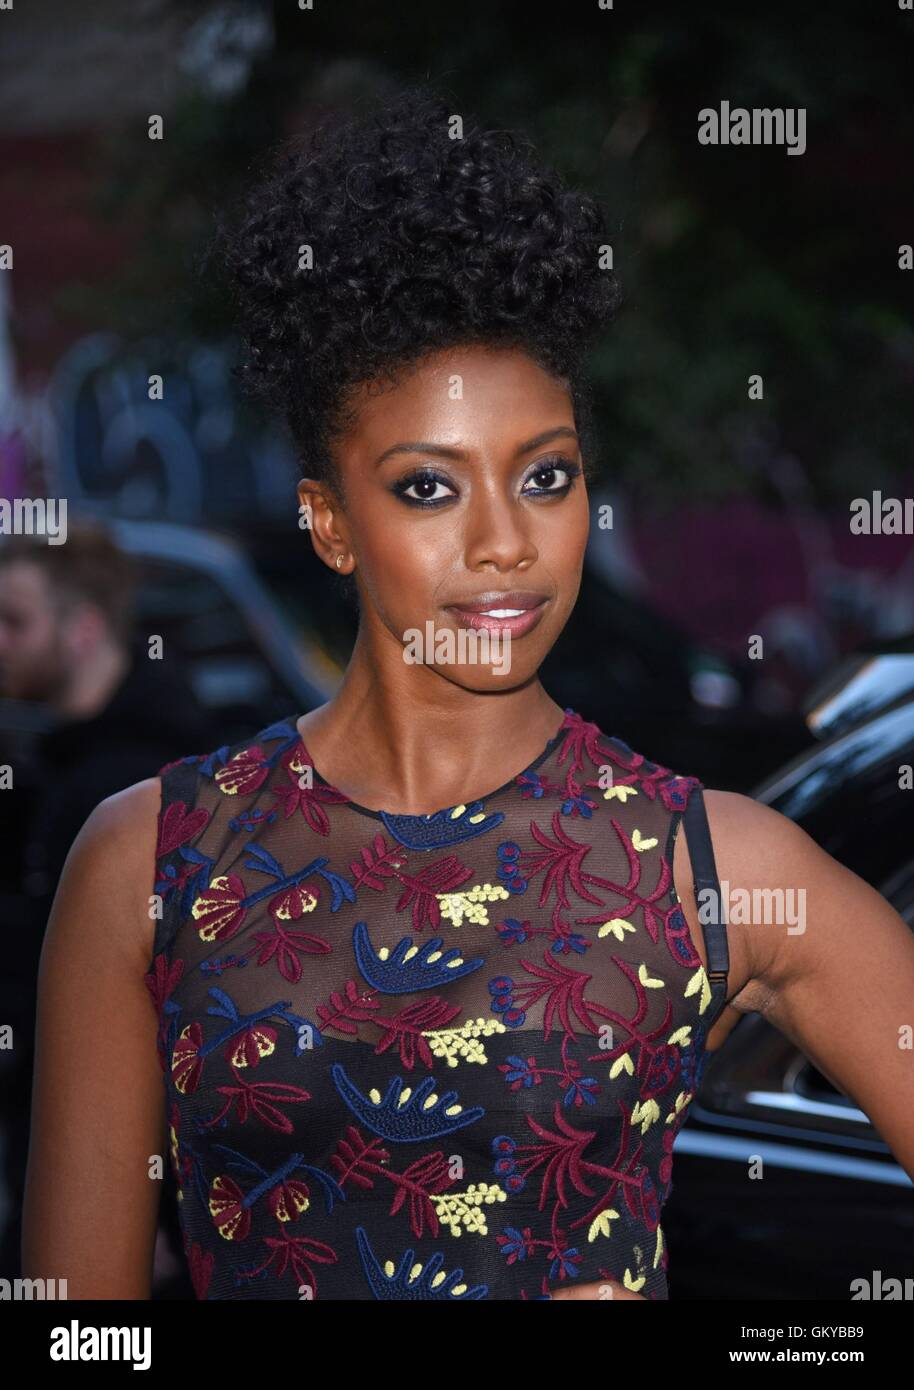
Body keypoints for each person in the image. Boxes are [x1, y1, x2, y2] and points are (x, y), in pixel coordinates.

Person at [21, 86, 914, 1301]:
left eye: (543, 476)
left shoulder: (710, 869)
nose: (504, 542)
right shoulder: (151, 861)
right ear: (329, 521)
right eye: (428, 490)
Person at [0, 521, 207, 1279]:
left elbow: (172, 1014)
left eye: (15, 620)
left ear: (84, 629)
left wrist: (154, 1213)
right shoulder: (57, 769)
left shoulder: (132, 795)